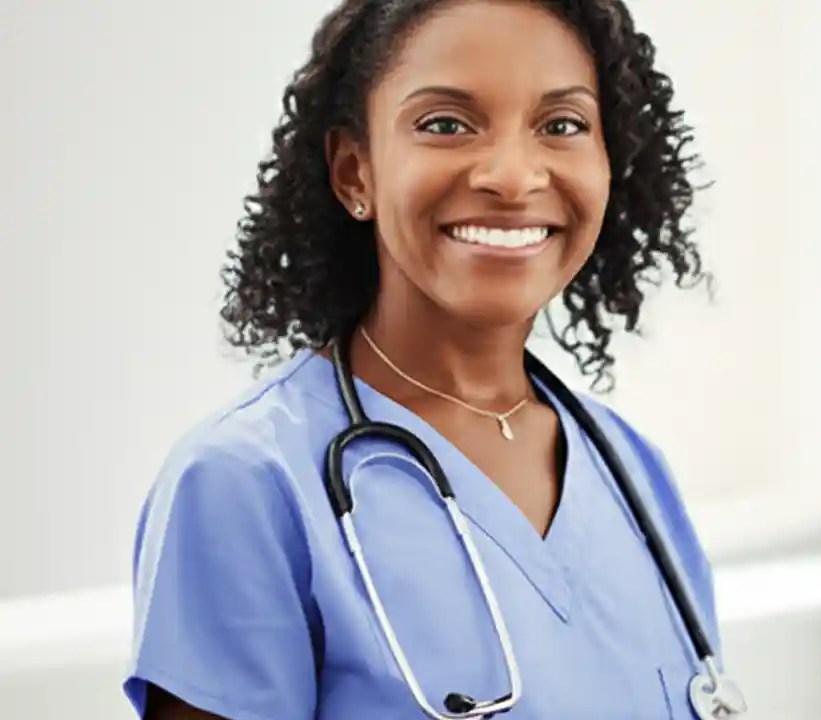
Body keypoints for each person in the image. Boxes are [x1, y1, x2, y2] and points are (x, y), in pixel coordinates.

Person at [123, 0, 725, 718]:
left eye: (561, 125)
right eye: (446, 124)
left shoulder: (631, 471)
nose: (512, 175)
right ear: (355, 174)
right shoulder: (246, 483)